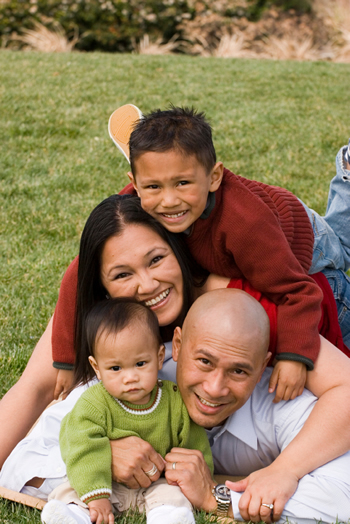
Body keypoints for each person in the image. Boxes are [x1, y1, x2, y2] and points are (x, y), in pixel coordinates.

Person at [1, 196, 350, 516]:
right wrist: (101, 454)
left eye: (156, 260)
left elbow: (345, 388)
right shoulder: (115, 344)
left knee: (336, 244)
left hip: (325, 289)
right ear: (103, 290)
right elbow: (33, 389)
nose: (148, 284)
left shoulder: (238, 316)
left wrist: (281, 472)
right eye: (123, 274)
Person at [41, 299, 213, 524]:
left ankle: (167, 517)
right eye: (115, 368)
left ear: (159, 357)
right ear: (97, 368)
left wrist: (202, 478)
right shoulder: (94, 403)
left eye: (141, 363)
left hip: (156, 487)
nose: (130, 377)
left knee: (172, 495)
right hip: (108, 486)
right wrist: (97, 495)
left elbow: (194, 450)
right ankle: (73, 516)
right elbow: (81, 446)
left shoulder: (175, 402)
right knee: (69, 491)